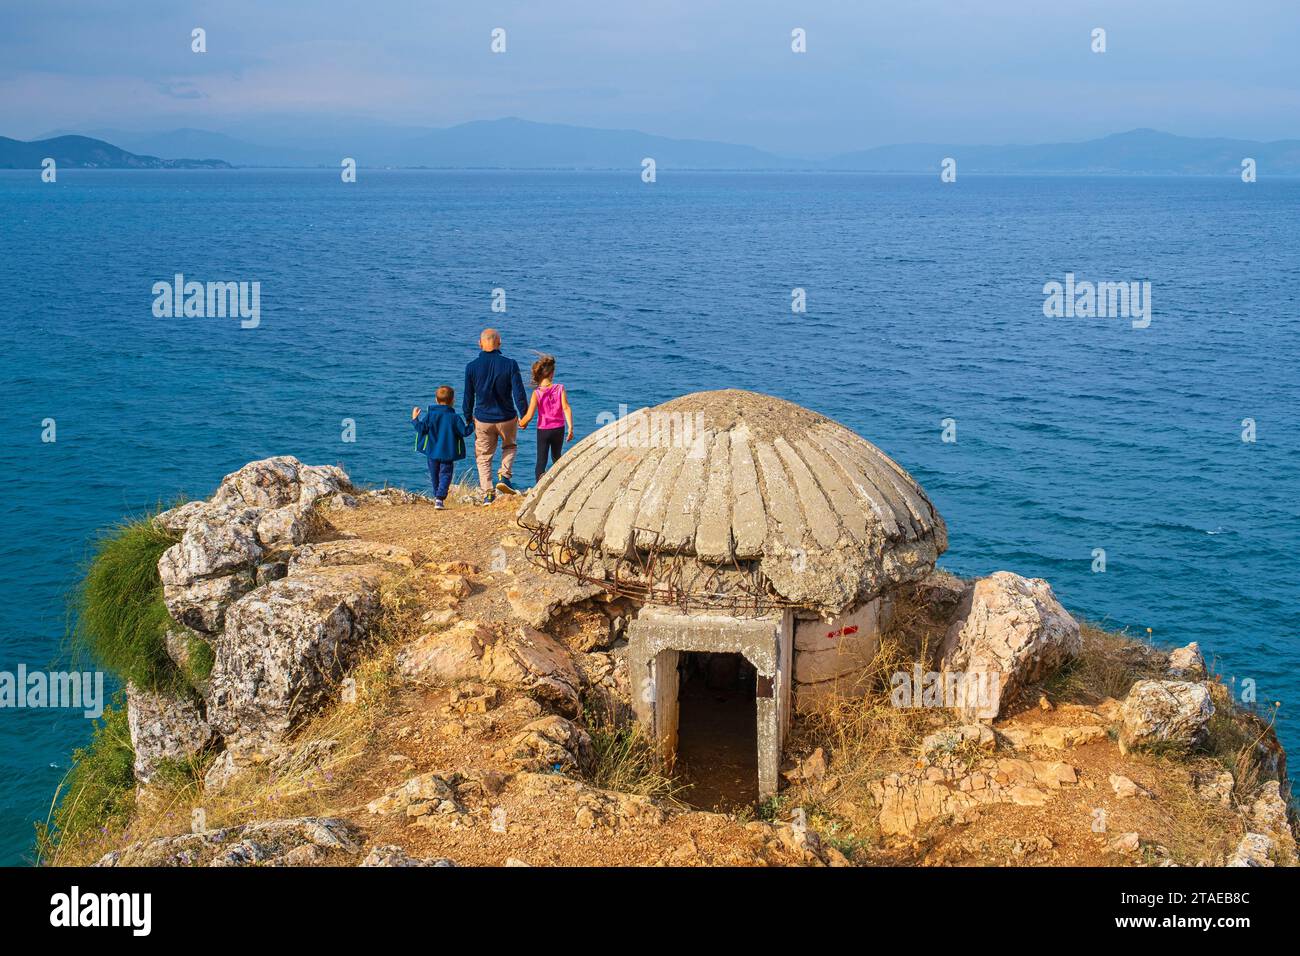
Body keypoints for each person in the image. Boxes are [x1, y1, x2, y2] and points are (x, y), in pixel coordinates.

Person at [463, 328, 529, 505]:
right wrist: (525, 415)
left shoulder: (471, 367)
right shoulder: (510, 364)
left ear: (480, 343)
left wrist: (468, 418)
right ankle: (504, 475)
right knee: (510, 446)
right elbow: (519, 393)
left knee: (484, 456)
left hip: (483, 419)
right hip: (507, 417)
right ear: (499, 343)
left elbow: (468, 396)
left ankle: (488, 494)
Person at [411, 385, 473, 509]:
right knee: (445, 475)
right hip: (448, 453)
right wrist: (472, 424)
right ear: (453, 401)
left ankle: (437, 498)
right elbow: (464, 432)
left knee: (434, 475)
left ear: (436, 400)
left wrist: (415, 419)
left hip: (432, 452)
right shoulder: (455, 417)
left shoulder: (430, 415)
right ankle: (440, 498)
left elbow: (421, 429)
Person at [517, 353, 573, 482]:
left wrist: (521, 423)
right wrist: (570, 428)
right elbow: (566, 408)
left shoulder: (536, 393)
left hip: (543, 430)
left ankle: (538, 486)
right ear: (551, 373)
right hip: (559, 428)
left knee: (541, 461)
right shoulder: (560, 388)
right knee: (557, 457)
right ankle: (561, 482)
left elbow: (529, 415)